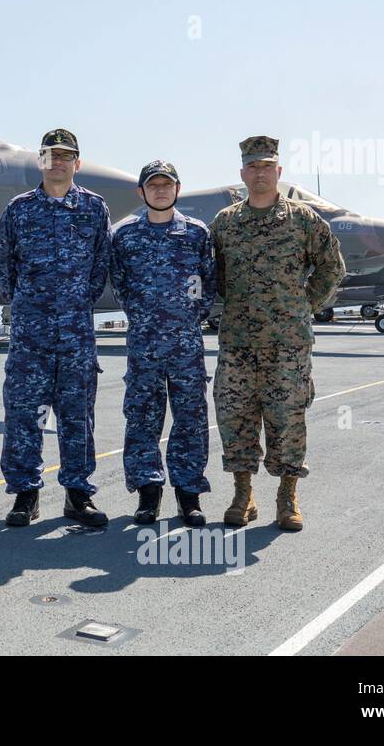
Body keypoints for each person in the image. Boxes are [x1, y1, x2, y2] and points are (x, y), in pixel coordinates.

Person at [210, 136, 345, 531]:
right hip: (237, 343)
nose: (260, 172)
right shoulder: (226, 223)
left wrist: (305, 306)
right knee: (236, 417)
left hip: (288, 344)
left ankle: (287, 498)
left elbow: (332, 267)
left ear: (279, 172)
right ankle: (242, 494)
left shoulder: (303, 219)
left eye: (267, 166)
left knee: (288, 419)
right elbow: (215, 275)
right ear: (242, 173)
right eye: (253, 166)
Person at [0, 129, 112, 527]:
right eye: (50, 155)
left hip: (77, 332)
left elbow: (100, 268)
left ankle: (78, 496)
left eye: (66, 156)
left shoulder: (95, 209)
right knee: (24, 414)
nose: (58, 162)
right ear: (40, 162)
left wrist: (74, 302)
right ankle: (25, 495)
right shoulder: (20, 209)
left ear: (77, 163)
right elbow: (4, 266)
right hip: (31, 334)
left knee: (78, 416)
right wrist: (29, 304)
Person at [109, 160, 215, 525]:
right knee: (141, 418)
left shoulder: (197, 234)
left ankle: (189, 496)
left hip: (186, 346)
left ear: (177, 189)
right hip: (143, 346)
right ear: (141, 192)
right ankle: (148, 494)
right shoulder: (124, 236)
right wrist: (145, 317)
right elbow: (120, 284)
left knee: (191, 419)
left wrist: (186, 319)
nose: (159, 190)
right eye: (152, 185)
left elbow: (209, 284)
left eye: (166, 185)